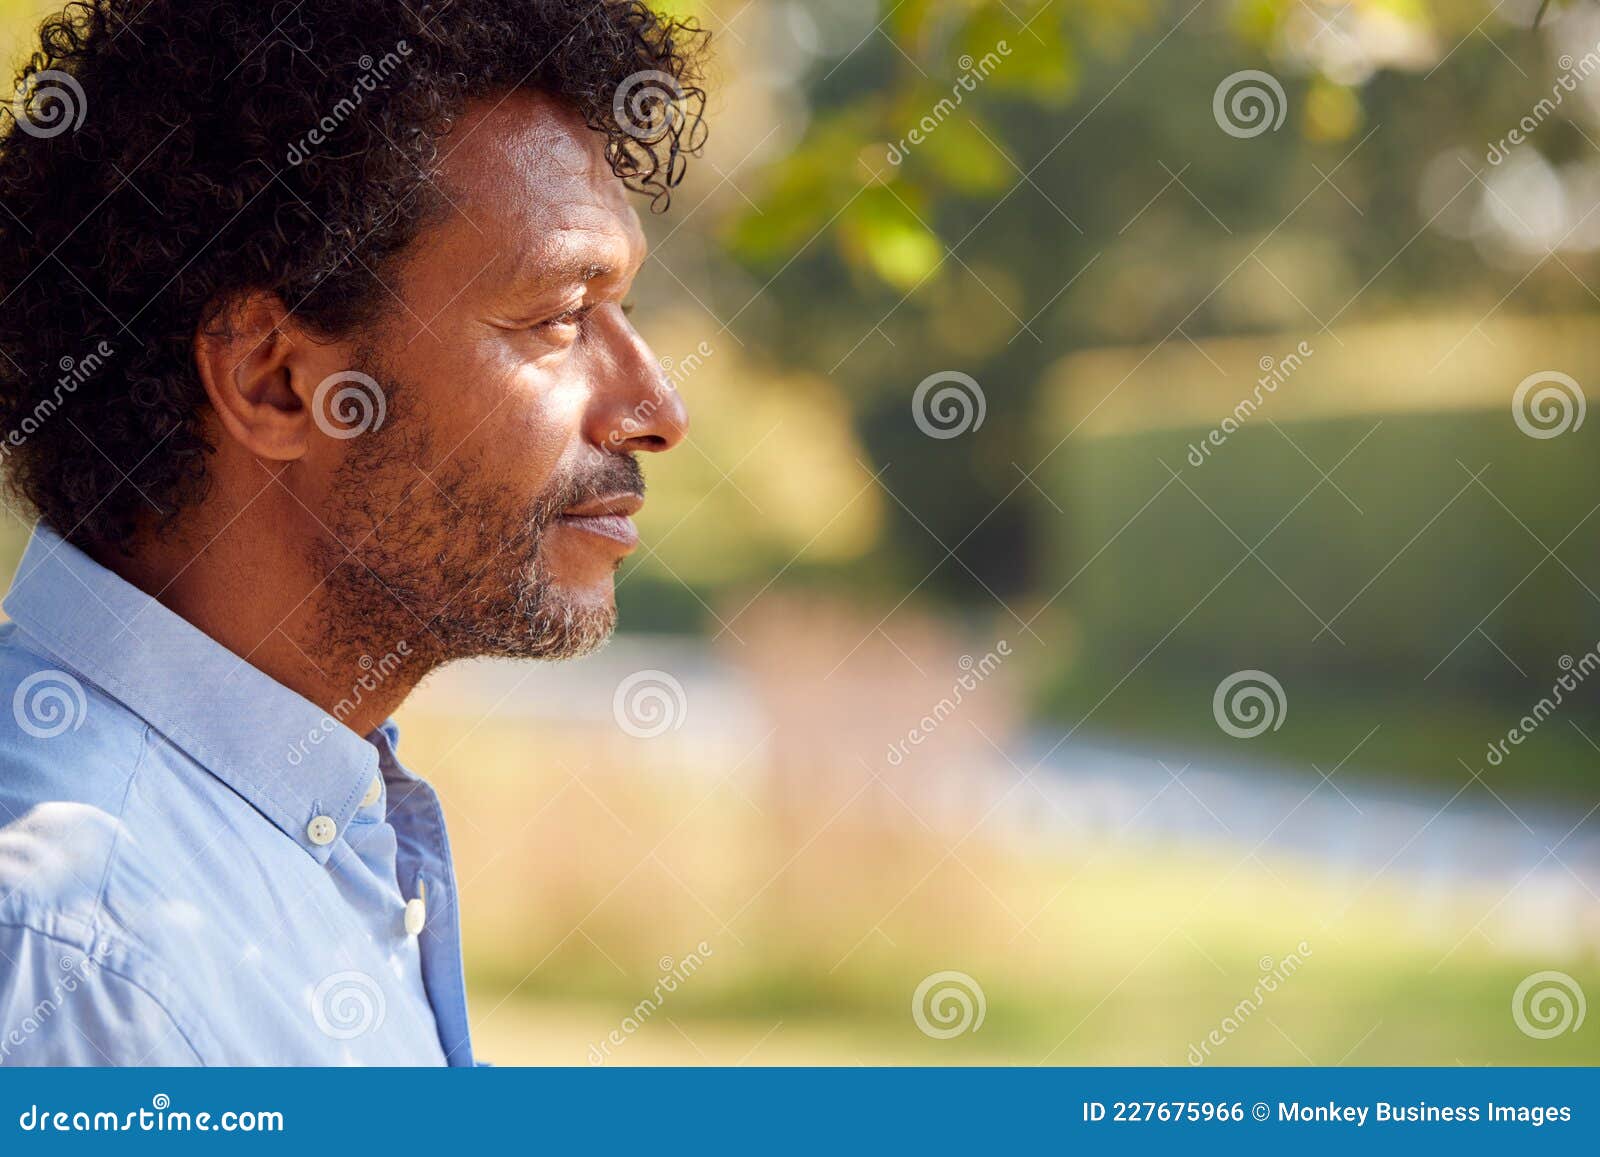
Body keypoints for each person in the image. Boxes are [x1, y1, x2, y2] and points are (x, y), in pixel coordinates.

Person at [0, 0, 705, 1065]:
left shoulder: (287, 832)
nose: (656, 409)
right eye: (561, 317)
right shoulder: (79, 951)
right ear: (276, 382)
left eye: (626, 312)